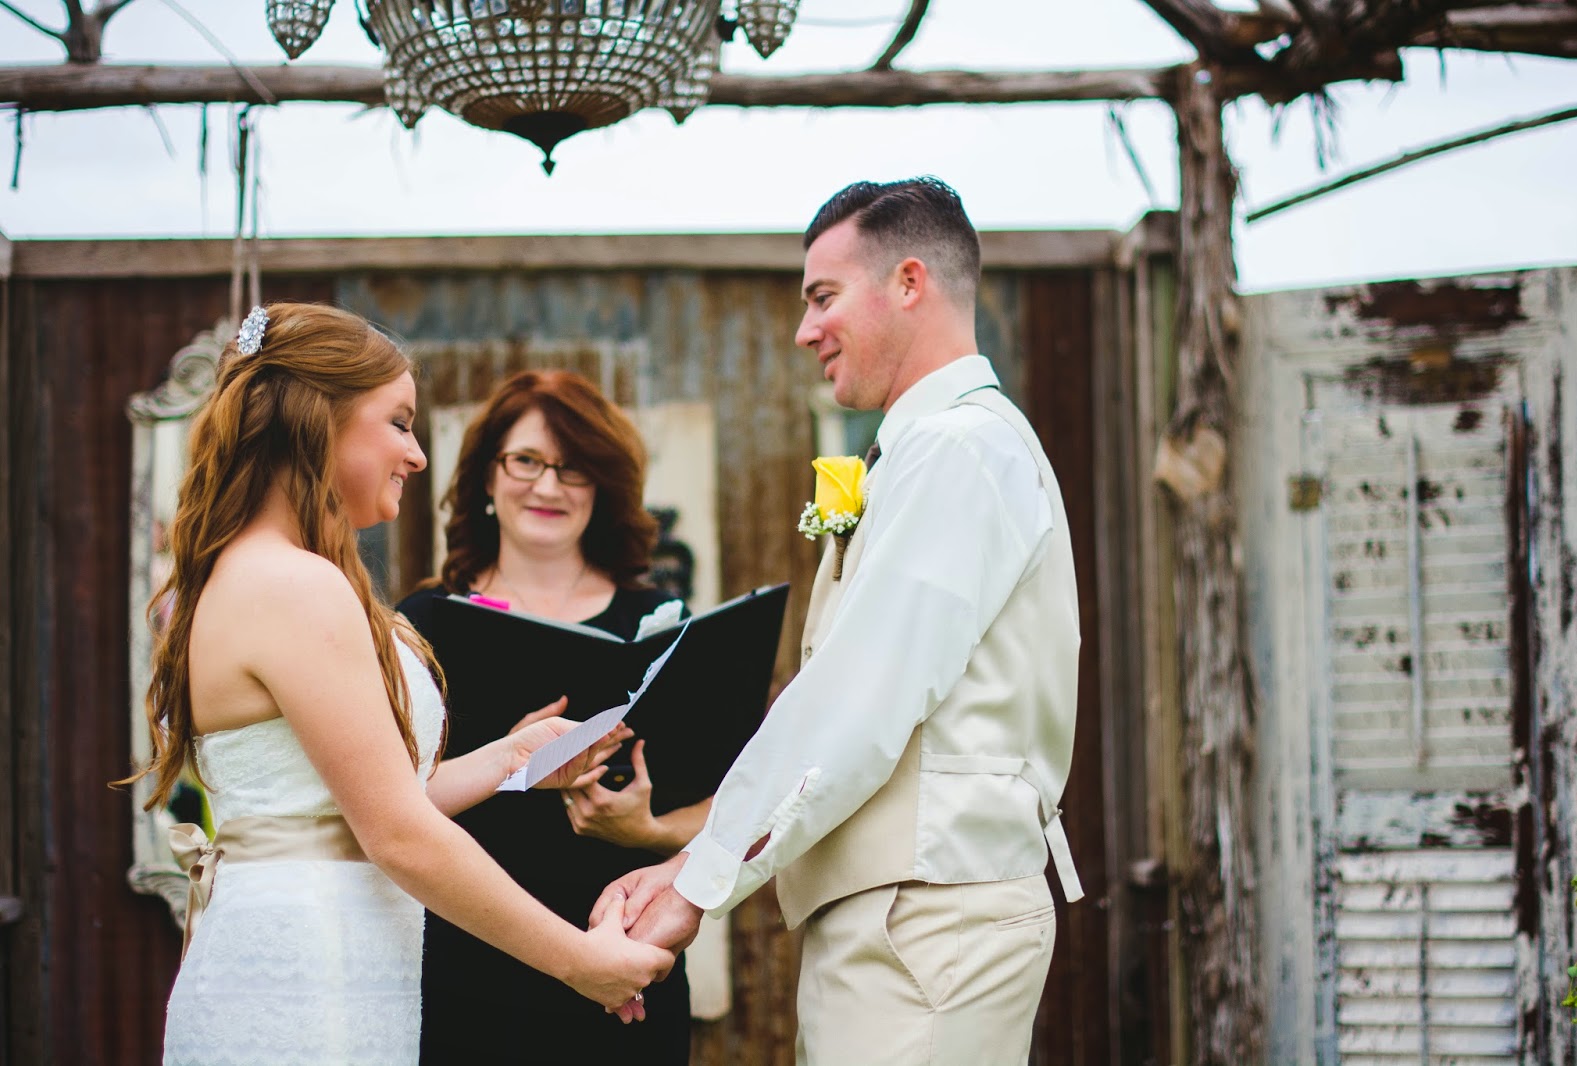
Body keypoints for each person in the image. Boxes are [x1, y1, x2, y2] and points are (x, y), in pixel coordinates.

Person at [596, 178, 1087, 1065]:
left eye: (823, 297)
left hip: (929, 920)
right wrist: (684, 865)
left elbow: (858, 703)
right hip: (905, 912)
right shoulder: (934, 449)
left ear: (908, 282)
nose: (803, 330)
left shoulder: (958, 450)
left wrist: (695, 890)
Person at [120, 303, 673, 1066]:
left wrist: (512, 757)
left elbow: (356, 806)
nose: (416, 455)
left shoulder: (254, 573)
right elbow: (399, 835)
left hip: (319, 948)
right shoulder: (295, 586)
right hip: (308, 973)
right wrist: (579, 963)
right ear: (321, 421)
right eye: (399, 422)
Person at [397, 369, 709, 1064]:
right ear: (485, 476)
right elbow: (384, 801)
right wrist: (505, 761)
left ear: (603, 486)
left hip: (622, 969)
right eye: (526, 461)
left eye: (573, 469)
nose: (547, 486)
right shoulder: (423, 627)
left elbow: (730, 804)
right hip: (464, 966)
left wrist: (650, 828)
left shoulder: (664, 627)